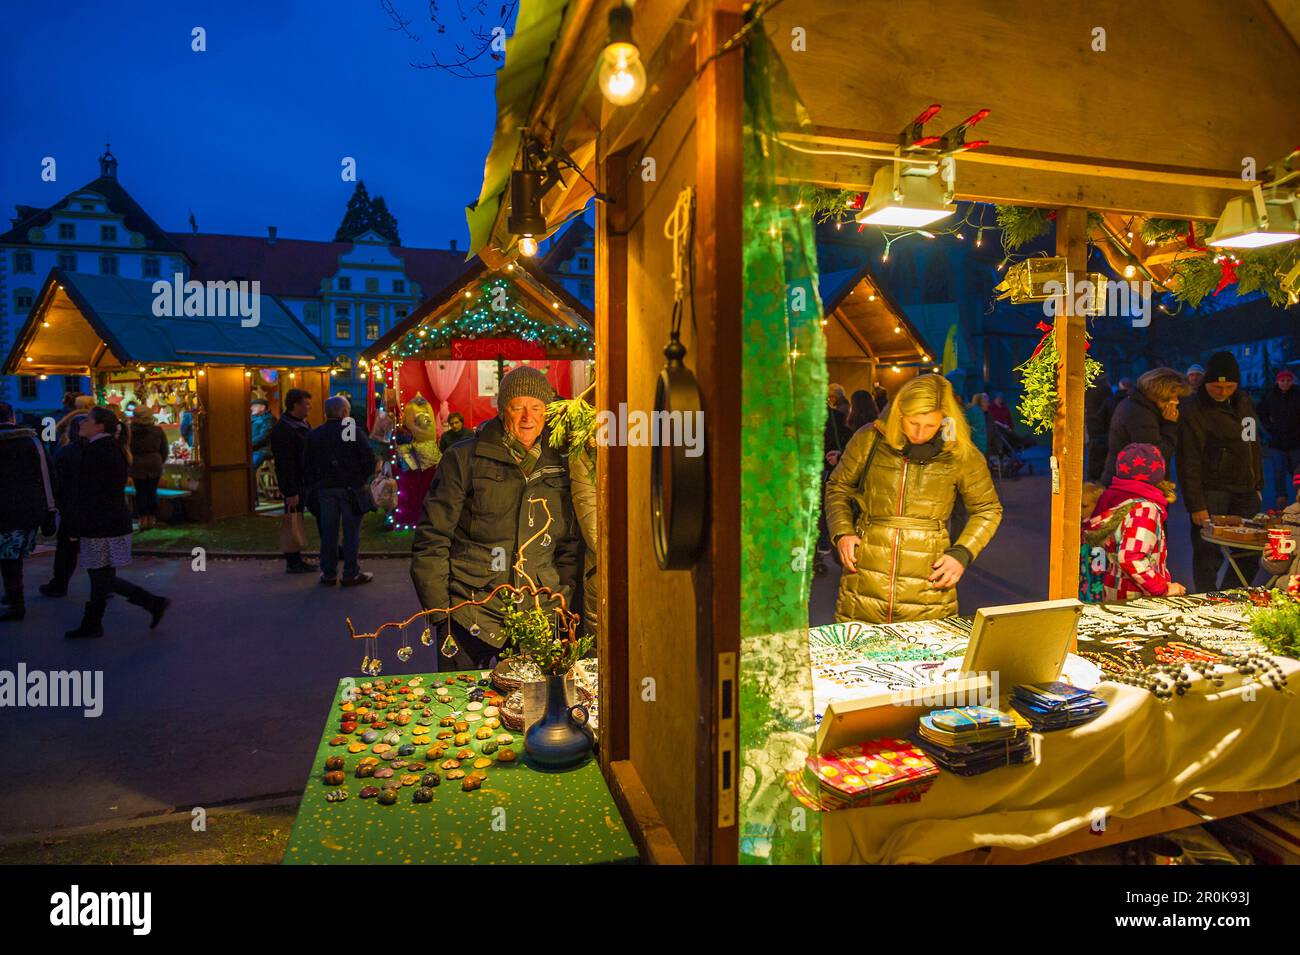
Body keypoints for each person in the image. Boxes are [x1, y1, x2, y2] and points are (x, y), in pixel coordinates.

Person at [411, 365, 581, 670]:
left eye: (537, 407)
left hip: (538, 614)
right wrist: (441, 614)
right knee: (461, 705)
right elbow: (432, 538)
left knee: (530, 710)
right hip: (469, 611)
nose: (528, 417)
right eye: (518, 408)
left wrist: (561, 597)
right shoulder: (464, 458)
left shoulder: (561, 465)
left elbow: (569, 545)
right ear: (503, 411)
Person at [824, 374, 1003, 623]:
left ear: (944, 419)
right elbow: (837, 487)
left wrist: (962, 553)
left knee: (923, 660)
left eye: (930, 426)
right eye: (912, 423)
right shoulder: (869, 439)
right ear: (900, 414)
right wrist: (842, 532)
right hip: (864, 578)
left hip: (928, 583)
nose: (919, 433)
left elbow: (988, 509)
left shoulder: (960, 454)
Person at [63, 407, 170, 638]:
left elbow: (89, 493)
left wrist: (75, 525)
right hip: (113, 520)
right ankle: (95, 622)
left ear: (100, 426)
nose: (82, 424)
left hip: (100, 523)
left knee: (100, 575)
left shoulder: (96, 451)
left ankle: (149, 603)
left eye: (87, 420)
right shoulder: (113, 448)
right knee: (102, 575)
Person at [1179, 351, 1264, 592]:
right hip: (1212, 492)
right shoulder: (1194, 410)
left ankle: (1229, 593)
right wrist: (1196, 504)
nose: (1222, 392)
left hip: (1245, 492)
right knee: (1208, 553)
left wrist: (1257, 484)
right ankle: (1206, 597)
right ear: (1206, 383)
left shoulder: (1244, 402)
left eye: (1229, 387)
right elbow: (1189, 459)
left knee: (1249, 552)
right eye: (1216, 387)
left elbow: (1253, 444)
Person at [1080, 443, 1186, 602]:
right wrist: (1163, 588)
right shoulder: (1144, 509)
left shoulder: (1119, 503)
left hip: (1116, 591)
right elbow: (1130, 557)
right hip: (1136, 599)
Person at [303, 395, 375, 586]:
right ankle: (350, 573)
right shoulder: (350, 431)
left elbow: (307, 464)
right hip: (351, 488)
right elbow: (368, 458)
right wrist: (362, 478)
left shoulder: (316, 434)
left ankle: (328, 573)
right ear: (344, 412)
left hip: (326, 489)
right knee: (351, 532)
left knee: (329, 532)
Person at [0, 401, 51, 622]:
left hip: (4, 508)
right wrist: (50, 508)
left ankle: (16, 602)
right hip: (30, 506)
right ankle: (14, 596)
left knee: (7, 560)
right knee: (14, 558)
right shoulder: (32, 442)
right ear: (12, 417)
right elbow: (46, 475)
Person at [1101, 367, 1190, 486]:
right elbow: (1156, 455)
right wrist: (1169, 424)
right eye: (1172, 397)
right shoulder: (1140, 414)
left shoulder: (1137, 405)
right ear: (1160, 393)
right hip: (1133, 488)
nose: (1176, 401)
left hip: (1126, 482)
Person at [40, 413, 87, 598]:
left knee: (67, 549)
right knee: (96, 548)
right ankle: (104, 586)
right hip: (90, 505)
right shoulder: (94, 450)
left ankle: (59, 583)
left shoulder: (66, 452)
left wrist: (56, 502)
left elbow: (55, 479)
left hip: (71, 505)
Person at [270, 388, 316, 574]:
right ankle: (293, 560)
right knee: (293, 519)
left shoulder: (301, 424)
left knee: (299, 518)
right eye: (306, 404)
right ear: (295, 405)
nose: (309, 407)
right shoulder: (284, 429)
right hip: (295, 482)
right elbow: (284, 463)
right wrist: (290, 491)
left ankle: (297, 557)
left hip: (305, 480)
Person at [1258, 369, 1300, 508]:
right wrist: (1269, 427)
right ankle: (1281, 498)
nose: (1285, 383)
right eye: (1282, 381)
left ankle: (1299, 494)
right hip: (1277, 441)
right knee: (1278, 470)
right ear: (1277, 381)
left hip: (1296, 440)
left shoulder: (1297, 394)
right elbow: (1262, 412)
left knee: (1297, 470)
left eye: (1288, 380)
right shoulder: (1271, 396)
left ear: (1292, 381)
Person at [128, 406, 167, 530]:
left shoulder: (129, 431)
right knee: (152, 491)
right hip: (154, 463)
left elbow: (126, 449)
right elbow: (164, 449)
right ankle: (152, 518)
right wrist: (160, 460)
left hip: (137, 463)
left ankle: (142, 519)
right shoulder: (158, 431)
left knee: (140, 492)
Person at [1084, 374, 1115, 482]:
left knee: (1093, 455)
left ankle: (1091, 482)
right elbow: (1109, 405)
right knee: (1100, 456)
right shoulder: (1104, 387)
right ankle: (1098, 481)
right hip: (1101, 425)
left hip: (1092, 423)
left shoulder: (1089, 387)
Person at [250, 398, 275, 470]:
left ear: (262, 407)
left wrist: (249, 445)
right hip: (251, 450)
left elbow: (264, 436)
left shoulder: (269, 418)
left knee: (250, 467)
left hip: (262, 450)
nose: (251, 408)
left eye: (254, 406)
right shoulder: (251, 418)